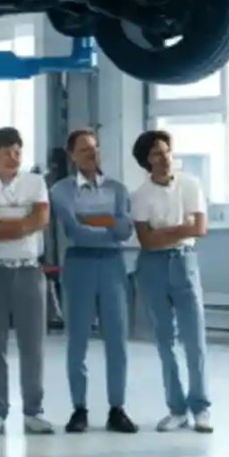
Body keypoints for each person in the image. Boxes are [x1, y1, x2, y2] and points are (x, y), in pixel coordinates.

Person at [49, 129, 137, 434]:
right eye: (84, 150)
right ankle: (79, 408)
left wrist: (101, 222)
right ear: (72, 155)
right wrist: (109, 224)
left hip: (112, 265)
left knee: (117, 339)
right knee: (78, 340)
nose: (92, 154)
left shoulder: (118, 189)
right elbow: (75, 230)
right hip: (79, 263)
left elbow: (126, 230)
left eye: (95, 148)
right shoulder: (62, 190)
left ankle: (117, 408)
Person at [0, 127, 54, 436]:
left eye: (17, 150)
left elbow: (40, 221)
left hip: (29, 270)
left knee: (33, 344)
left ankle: (34, 410)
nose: (13, 156)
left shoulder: (35, 183)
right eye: (6, 151)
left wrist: (0, 220)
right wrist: (22, 223)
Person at [129, 130, 212, 434]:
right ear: (146, 162)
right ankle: (176, 408)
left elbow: (200, 227)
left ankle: (201, 407)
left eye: (166, 151)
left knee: (195, 337)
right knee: (165, 339)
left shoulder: (190, 184)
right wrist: (181, 227)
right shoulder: (140, 196)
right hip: (152, 266)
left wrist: (165, 232)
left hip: (184, 260)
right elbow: (146, 241)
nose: (163, 159)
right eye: (155, 154)